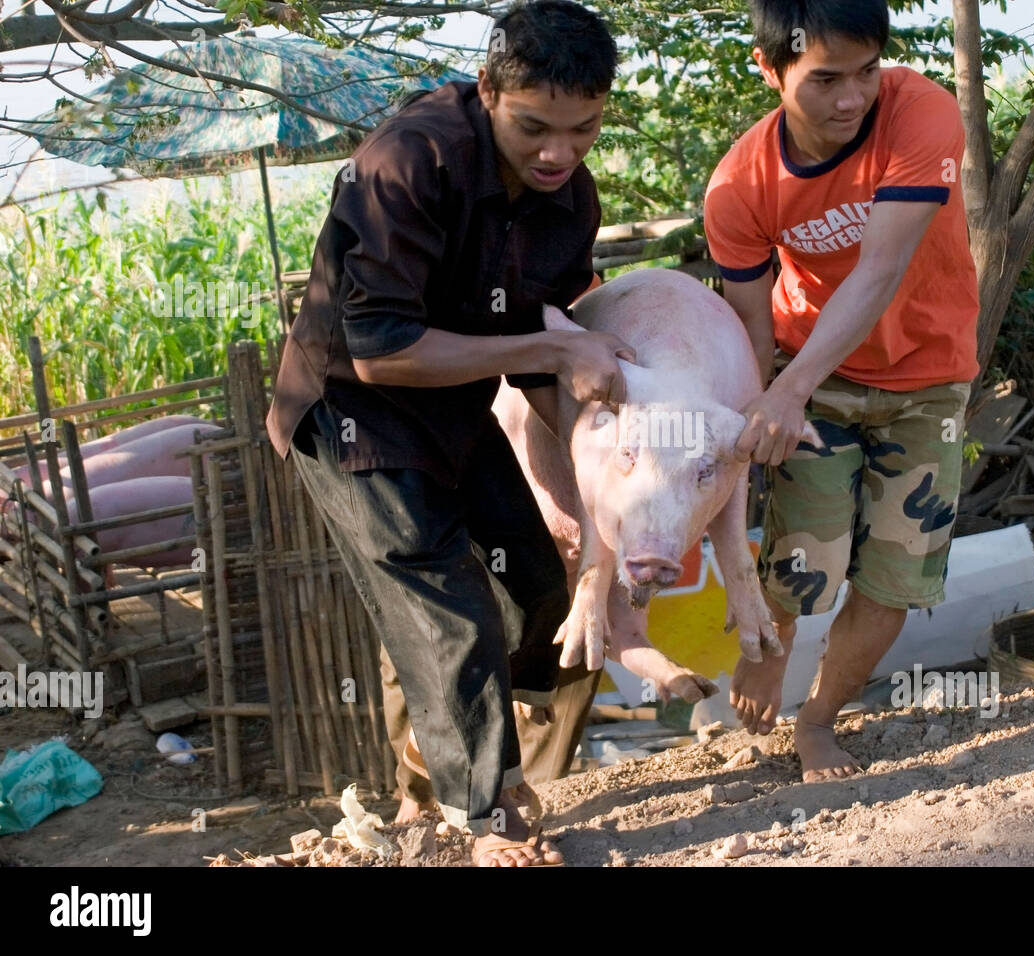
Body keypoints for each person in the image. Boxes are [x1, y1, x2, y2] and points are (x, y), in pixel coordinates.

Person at [266, 0, 628, 866]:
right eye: (535, 127)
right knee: (448, 607)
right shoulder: (406, 161)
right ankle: (478, 816)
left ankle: (479, 757)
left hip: (454, 401)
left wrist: (605, 474)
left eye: (582, 131)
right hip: (353, 410)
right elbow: (382, 347)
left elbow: (548, 350)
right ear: (487, 91)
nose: (558, 154)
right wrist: (548, 343)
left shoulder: (567, 200)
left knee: (541, 582)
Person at [704, 0, 980, 782]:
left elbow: (881, 269)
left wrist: (787, 391)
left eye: (866, 72)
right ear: (770, 68)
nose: (852, 97)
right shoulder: (740, 186)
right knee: (803, 560)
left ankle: (818, 722)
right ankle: (767, 645)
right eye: (824, 79)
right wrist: (745, 431)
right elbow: (749, 330)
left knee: (896, 577)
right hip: (814, 382)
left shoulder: (920, 112)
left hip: (928, 380)